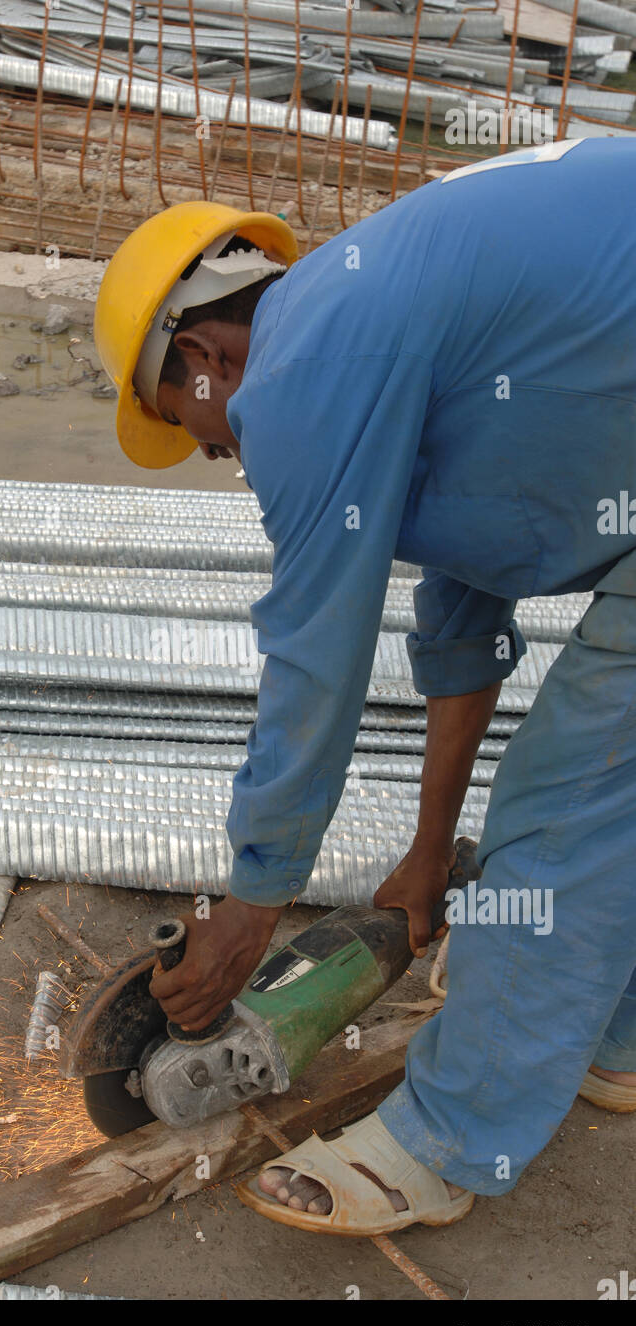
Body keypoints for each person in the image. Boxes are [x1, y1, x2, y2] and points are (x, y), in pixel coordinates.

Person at [92, 137, 636, 1235]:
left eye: (181, 421)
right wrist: (427, 850)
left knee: (566, 797)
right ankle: (611, 1034)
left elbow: (314, 658)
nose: (213, 453)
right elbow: (462, 615)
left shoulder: (300, 376)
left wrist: (249, 914)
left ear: (204, 355)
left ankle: (444, 1140)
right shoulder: (376, 318)